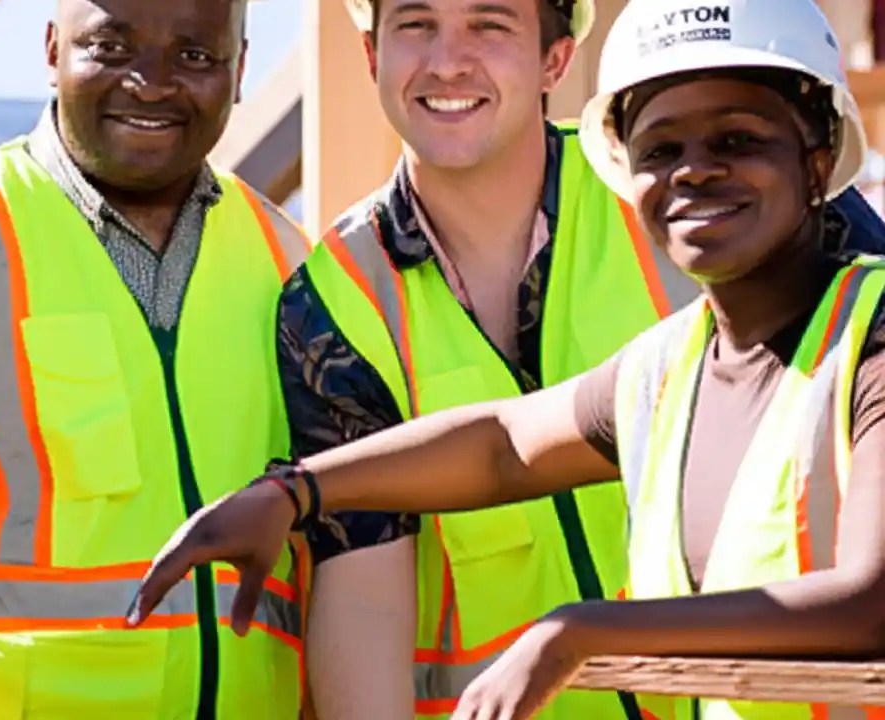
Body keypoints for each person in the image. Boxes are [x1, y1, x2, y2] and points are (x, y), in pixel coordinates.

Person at [130, 0, 885, 719]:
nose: (693, 171)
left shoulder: (862, 311)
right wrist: (292, 493)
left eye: (738, 140)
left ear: (820, 164)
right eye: (662, 149)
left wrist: (578, 631)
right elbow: (504, 445)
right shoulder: (667, 368)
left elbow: (871, 602)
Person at [0, 0, 313, 717]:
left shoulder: (293, 264)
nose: (152, 83)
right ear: (49, 50)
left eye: (194, 56)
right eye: (110, 47)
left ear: (242, 67)